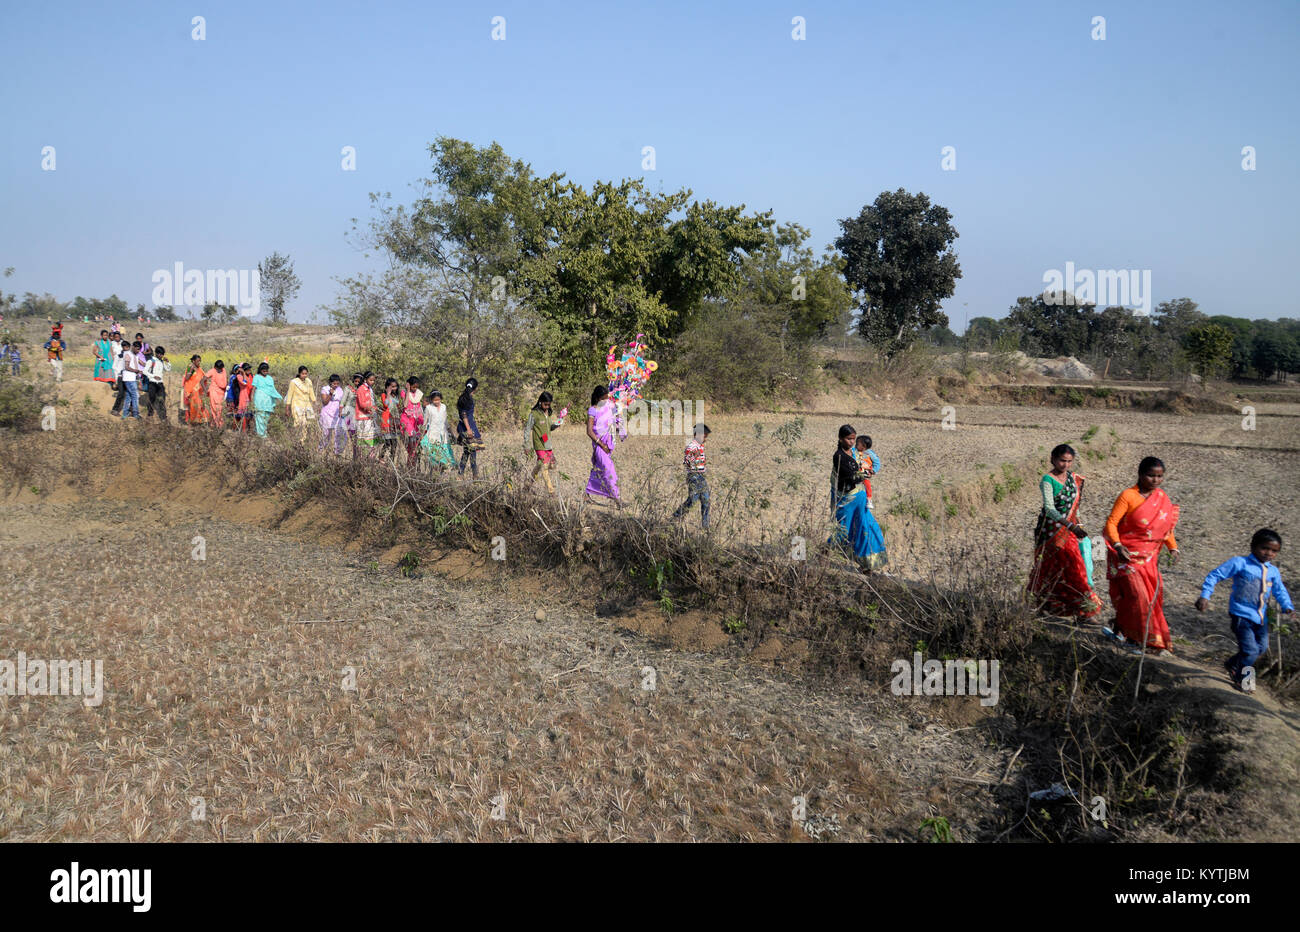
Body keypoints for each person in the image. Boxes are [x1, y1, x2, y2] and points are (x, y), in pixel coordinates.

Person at [1197, 529, 1294, 691]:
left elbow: (1279, 590)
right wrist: (1205, 596)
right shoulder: (1240, 563)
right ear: (1253, 546)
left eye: (1274, 551)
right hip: (1241, 615)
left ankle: (1232, 664)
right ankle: (1241, 678)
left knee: (1260, 649)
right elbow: (1215, 575)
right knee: (1250, 651)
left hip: (1261, 617)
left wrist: (1288, 607)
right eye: (1264, 548)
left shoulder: (1273, 571)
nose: (1268, 553)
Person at [1103, 456, 1181, 653]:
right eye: (1151, 475)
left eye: (1159, 476)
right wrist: (1118, 545)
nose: (1155, 480)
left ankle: (1123, 630)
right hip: (1127, 556)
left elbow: (1165, 528)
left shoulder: (1162, 498)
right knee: (1137, 597)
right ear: (1140, 474)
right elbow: (1111, 523)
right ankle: (1141, 639)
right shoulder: (1128, 496)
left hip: (1149, 558)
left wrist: (1173, 547)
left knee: (1151, 598)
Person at [1027, 444, 1104, 621]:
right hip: (1050, 531)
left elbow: (1075, 507)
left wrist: (1078, 525)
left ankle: (1084, 611)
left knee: (1075, 567)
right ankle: (1039, 605)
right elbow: (1049, 508)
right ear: (1053, 459)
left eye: (1069, 461)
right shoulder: (1048, 480)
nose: (1066, 465)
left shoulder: (1073, 479)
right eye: (1062, 460)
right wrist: (1069, 526)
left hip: (1071, 529)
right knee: (1047, 569)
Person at [830, 424, 888, 573]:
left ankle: (867, 564)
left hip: (860, 497)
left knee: (866, 527)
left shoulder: (855, 453)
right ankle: (824, 554)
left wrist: (868, 471)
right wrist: (865, 475)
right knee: (845, 530)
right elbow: (850, 477)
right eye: (849, 439)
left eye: (853, 439)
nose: (851, 442)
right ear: (841, 438)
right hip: (847, 499)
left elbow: (868, 465)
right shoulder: (839, 456)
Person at [583, 385, 621, 507]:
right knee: (609, 471)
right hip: (599, 446)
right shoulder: (593, 410)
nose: (606, 401)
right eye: (603, 399)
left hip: (607, 446)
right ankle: (617, 500)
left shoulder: (608, 408)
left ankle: (586, 495)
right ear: (598, 398)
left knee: (598, 470)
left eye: (607, 399)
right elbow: (589, 431)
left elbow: (615, 418)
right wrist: (601, 444)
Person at [671, 423, 712, 528]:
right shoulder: (692, 447)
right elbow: (687, 462)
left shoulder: (700, 446)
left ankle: (705, 526)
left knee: (706, 500)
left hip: (701, 476)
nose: (706, 438)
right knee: (693, 500)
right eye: (704, 436)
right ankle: (676, 516)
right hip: (693, 476)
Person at [524, 392, 563, 493]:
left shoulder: (548, 414)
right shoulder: (534, 414)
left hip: (547, 444)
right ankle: (551, 491)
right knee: (545, 466)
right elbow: (527, 430)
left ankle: (527, 485)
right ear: (540, 402)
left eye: (549, 404)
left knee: (544, 465)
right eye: (545, 404)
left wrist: (558, 422)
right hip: (539, 445)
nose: (547, 406)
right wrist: (527, 445)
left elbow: (550, 427)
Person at [421, 390, 455, 473]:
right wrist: (421, 434)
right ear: (431, 400)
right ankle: (433, 474)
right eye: (435, 400)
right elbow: (425, 422)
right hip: (432, 434)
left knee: (444, 456)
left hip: (443, 434)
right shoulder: (429, 408)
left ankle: (441, 473)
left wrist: (451, 432)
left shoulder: (444, 407)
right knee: (433, 457)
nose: (437, 402)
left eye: (438, 400)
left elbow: (445, 421)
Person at [456, 378, 483, 478]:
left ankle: (460, 474)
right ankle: (475, 475)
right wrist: (469, 430)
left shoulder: (463, 397)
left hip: (464, 427)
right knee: (472, 452)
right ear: (475, 389)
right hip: (468, 428)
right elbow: (464, 415)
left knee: (467, 452)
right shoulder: (468, 399)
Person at [284, 366, 316, 441]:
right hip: (297, 405)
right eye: (303, 374)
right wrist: (287, 409)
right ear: (299, 373)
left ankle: (305, 440)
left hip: (307, 405)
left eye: (306, 374)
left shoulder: (308, 381)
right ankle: (299, 440)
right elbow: (289, 395)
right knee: (301, 423)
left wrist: (314, 402)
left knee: (310, 422)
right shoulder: (294, 382)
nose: (304, 375)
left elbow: (312, 393)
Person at [399, 377, 425, 467]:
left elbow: (419, 408)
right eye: (413, 387)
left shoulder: (418, 394)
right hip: (407, 421)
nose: (415, 389)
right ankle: (410, 465)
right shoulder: (404, 392)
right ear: (409, 385)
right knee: (410, 444)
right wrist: (408, 390)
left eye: (416, 387)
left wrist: (422, 422)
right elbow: (405, 405)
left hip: (416, 422)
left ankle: (414, 465)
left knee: (417, 445)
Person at [140, 345, 171, 419]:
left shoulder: (162, 362)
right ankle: (150, 414)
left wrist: (168, 362)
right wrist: (153, 376)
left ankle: (163, 417)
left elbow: (168, 369)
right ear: (156, 353)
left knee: (162, 400)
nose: (160, 355)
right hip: (152, 383)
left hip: (160, 383)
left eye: (162, 354)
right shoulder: (151, 361)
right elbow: (144, 371)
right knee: (152, 399)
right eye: (159, 354)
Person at [251, 362, 282, 436]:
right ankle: (261, 435)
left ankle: (264, 432)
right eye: (264, 371)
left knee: (266, 417)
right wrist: (252, 399)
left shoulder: (270, 378)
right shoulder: (257, 377)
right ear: (260, 370)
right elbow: (253, 388)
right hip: (259, 399)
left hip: (268, 400)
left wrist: (277, 397)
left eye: (266, 371)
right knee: (259, 416)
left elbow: (272, 389)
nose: (265, 372)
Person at [319, 374, 345, 455]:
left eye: (337, 383)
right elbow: (325, 402)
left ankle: (337, 453)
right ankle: (321, 451)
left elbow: (342, 402)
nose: (336, 385)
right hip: (326, 414)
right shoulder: (325, 389)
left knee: (340, 433)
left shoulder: (340, 390)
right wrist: (330, 394)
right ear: (330, 383)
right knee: (326, 434)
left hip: (336, 414)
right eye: (334, 383)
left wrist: (342, 411)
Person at [855, 435, 882, 511]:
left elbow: (877, 462)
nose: (856, 444)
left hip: (865, 472)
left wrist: (873, 470)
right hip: (856, 472)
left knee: (867, 485)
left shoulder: (870, 454)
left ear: (864, 446)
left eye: (858, 443)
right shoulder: (854, 451)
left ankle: (869, 499)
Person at [355, 371, 377, 457]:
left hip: (369, 418)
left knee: (370, 439)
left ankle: (370, 458)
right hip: (361, 418)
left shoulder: (369, 389)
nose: (372, 382)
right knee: (361, 439)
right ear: (365, 380)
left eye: (373, 380)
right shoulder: (361, 389)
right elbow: (361, 404)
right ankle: (361, 459)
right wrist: (371, 408)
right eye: (371, 380)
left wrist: (374, 409)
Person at [119, 340, 142, 419]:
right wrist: (135, 371)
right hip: (129, 378)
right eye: (137, 349)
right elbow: (127, 367)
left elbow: (140, 363)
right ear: (133, 347)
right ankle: (135, 414)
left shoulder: (135, 355)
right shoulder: (128, 354)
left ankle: (125, 414)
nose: (138, 351)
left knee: (129, 396)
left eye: (139, 349)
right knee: (135, 396)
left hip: (131, 378)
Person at [182, 355, 207, 424]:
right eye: (197, 361)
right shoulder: (190, 367)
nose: (199, 362)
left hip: (198, 391)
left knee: (199, 405)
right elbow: (187, 378)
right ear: (193, 361)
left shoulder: (199, 368)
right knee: (191, 406)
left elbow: (203, 377)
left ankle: (198, 420)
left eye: (200, 361)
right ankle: (191, 421)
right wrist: (191, 370)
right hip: (190, 390)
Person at [207, 361, 228, 429]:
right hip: (213, 392)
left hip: (221, 393)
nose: (220, 370)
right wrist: (206, 391)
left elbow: (224, 383)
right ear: (215, 367)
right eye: (218, 369)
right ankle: (218, 425)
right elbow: (202, 380)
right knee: (215, 409)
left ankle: (214, 424)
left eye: (221, 369)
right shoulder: (212, 371)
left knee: (220, 409)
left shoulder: (223, 370)